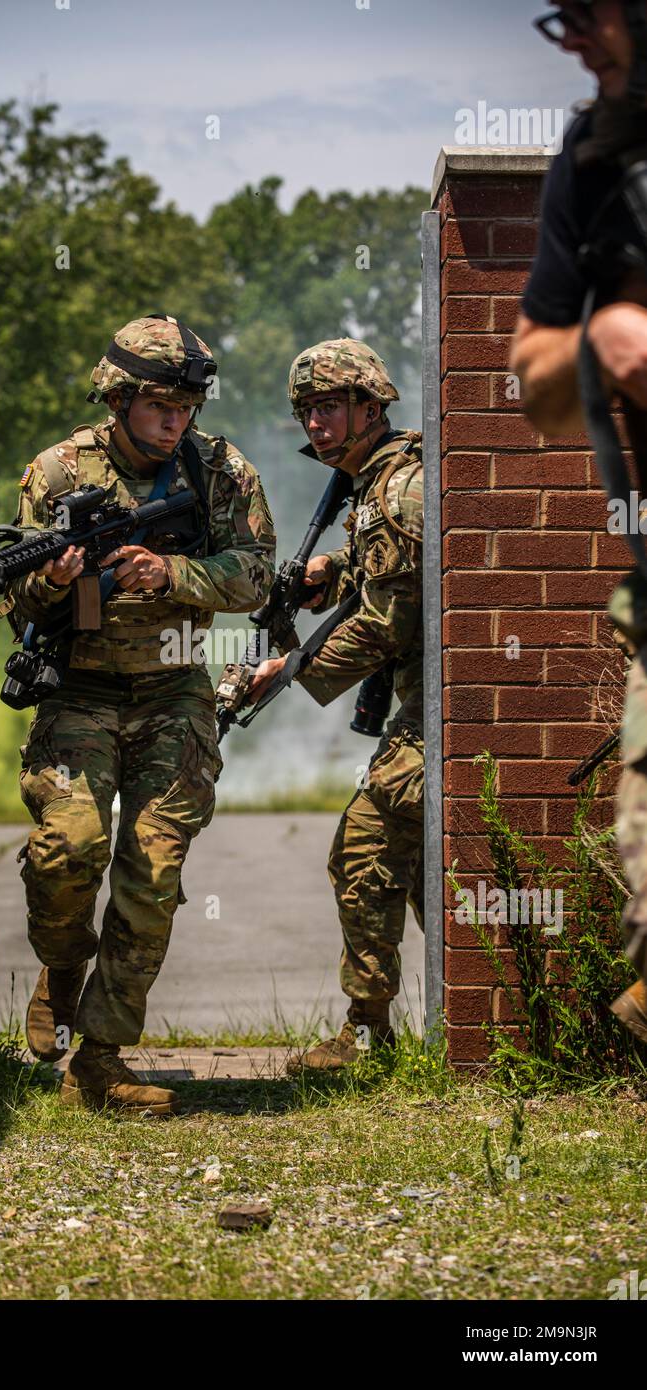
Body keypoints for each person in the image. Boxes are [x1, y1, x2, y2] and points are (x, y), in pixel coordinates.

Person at [0, 314, 276, 1111]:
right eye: (159, 406)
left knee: (151, 877)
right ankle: (59, 970)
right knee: (66, 853)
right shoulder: (58, 473)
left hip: (173, 693)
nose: (175, 421)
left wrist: (172, 575)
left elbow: (258, 578)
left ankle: (103, 1059)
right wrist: (53, 581)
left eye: (187, 407)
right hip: (79, 690)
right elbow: (19, 595)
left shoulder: (222, 472)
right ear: (117, 399)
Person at [511, 0, 647, 1043]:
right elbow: (534, 384)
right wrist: (599, 336)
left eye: (597, 13)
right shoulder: (589, 162)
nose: (574, 41)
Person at [248, 340, 424, 1066]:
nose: (315, 424)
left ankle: (371, 1035)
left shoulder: (395, 489)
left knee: (368, 852)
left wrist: (292, 669)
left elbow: (392, 619)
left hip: (440, 717)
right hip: (430, 711)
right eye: (307, 411)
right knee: (388, 862)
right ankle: (380, 1029)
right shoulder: (378, 486)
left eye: (329, 407)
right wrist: (339, 566)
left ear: (371, 406)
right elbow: (396, 570)